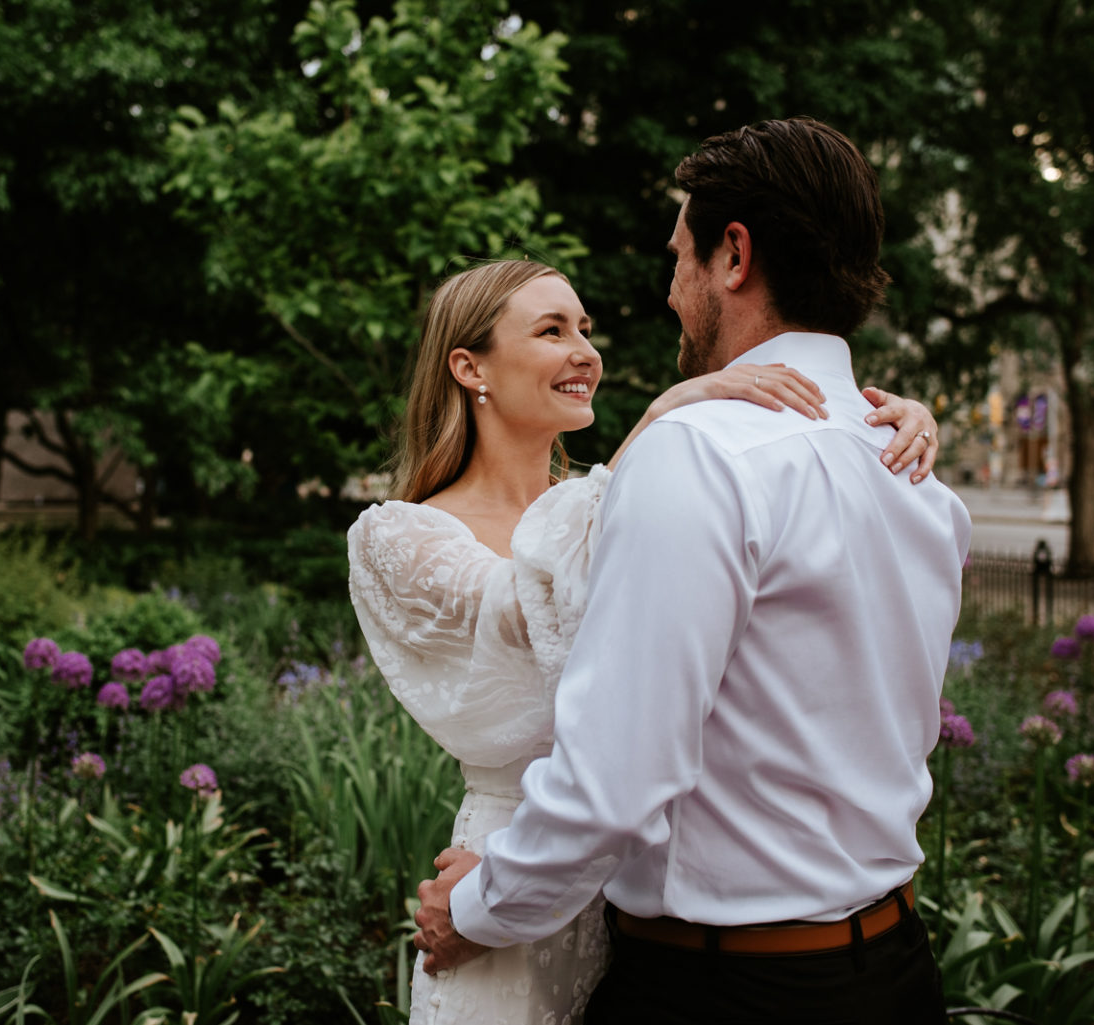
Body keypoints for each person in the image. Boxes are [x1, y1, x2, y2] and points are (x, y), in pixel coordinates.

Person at [412, 118, 972, 1024]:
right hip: (899, 974)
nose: (671, 290)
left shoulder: (700, 454)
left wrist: (478, 910)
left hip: (726, 990)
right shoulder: (912, 470)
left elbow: (617, 777)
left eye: (680, 257)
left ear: (734, 255)